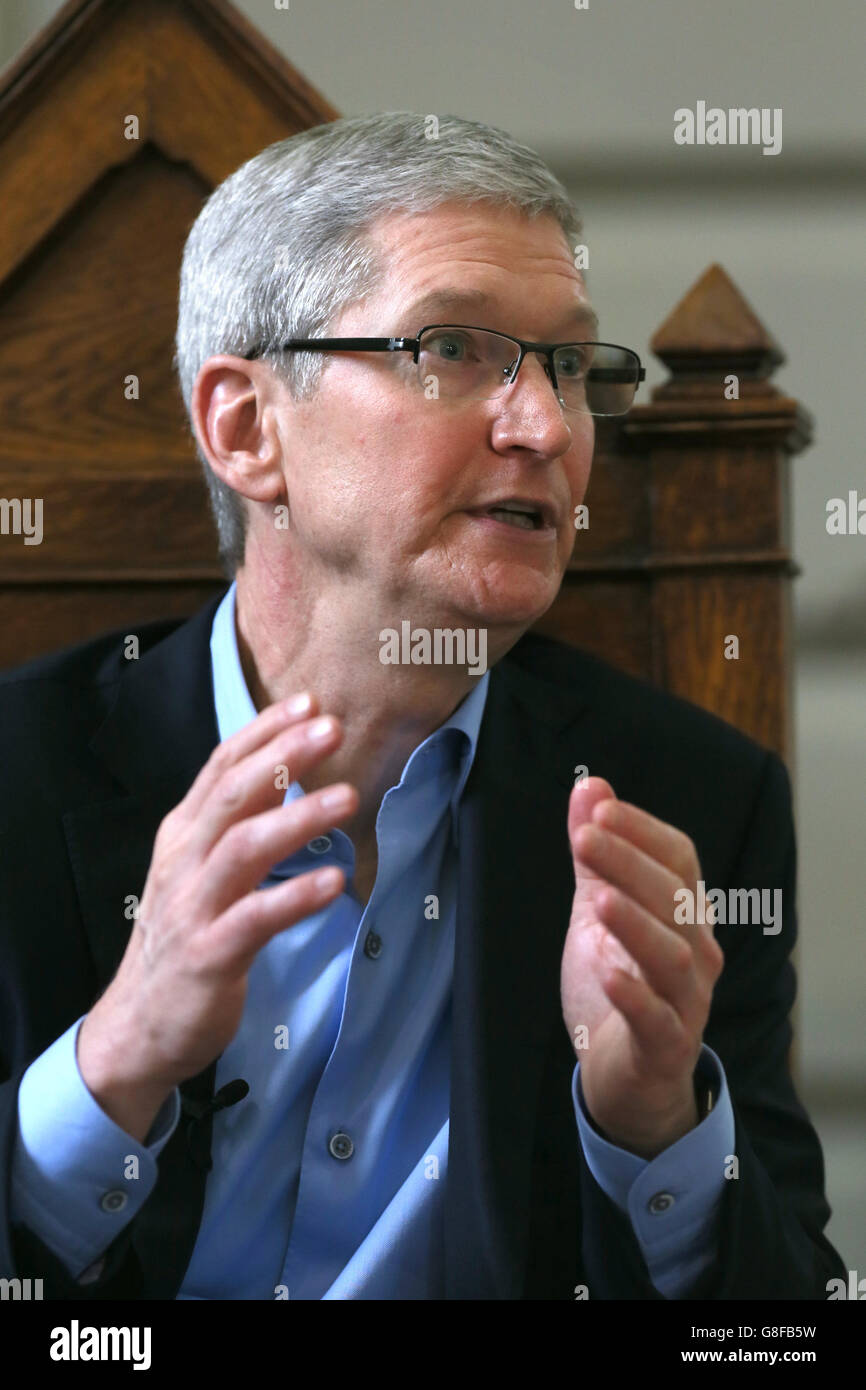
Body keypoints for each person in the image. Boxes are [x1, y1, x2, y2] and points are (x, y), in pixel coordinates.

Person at [0, 112, 844, 1300]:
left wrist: (654, 1127)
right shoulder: (18, 780)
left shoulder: (688, 797)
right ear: (248, 429)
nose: (544, 427)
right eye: (450, 349)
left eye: (568, 366)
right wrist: (114, 1062)